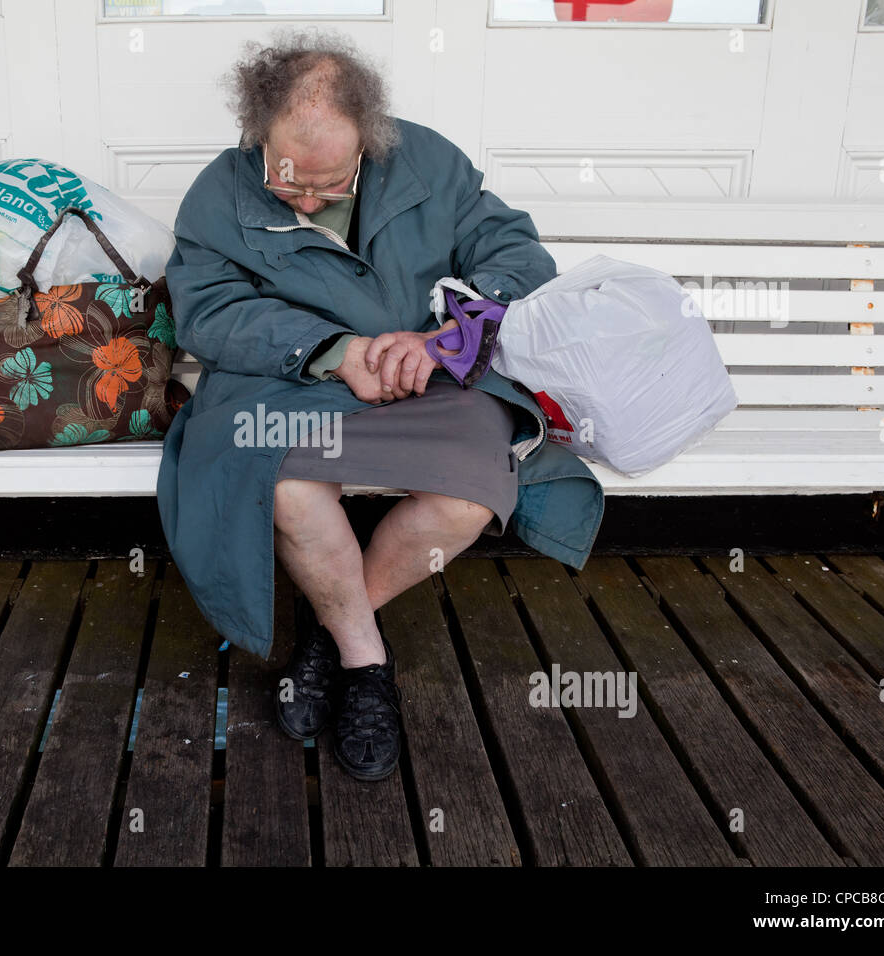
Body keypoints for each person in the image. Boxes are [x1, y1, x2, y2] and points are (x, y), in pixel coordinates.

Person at [156, 27, 604, 781]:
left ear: (369, 139)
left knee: (467, 497)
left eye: (326, 185)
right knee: (285, 482)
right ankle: (366, 665)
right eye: (287, 179)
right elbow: (206, 312)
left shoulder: (429, 161)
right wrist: (333, 350)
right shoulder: (218, 191)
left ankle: (328, 636)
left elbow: (520, 261)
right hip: (288, 379)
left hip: (432, 375)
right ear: (257, 133)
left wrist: (445, 338)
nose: (304, 197)